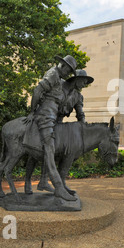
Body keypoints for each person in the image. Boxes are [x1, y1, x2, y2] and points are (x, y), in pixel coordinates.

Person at [29, 55, 78, 201]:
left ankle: (44, 181)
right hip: (45, 116)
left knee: (54, 147)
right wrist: (32, 111)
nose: (68, 75)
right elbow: (38, 91)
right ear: (63, 66)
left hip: (52, 116)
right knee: (49, 149)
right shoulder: (52, 74)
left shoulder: (58, 77)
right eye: (68, 71)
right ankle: (58, 187)